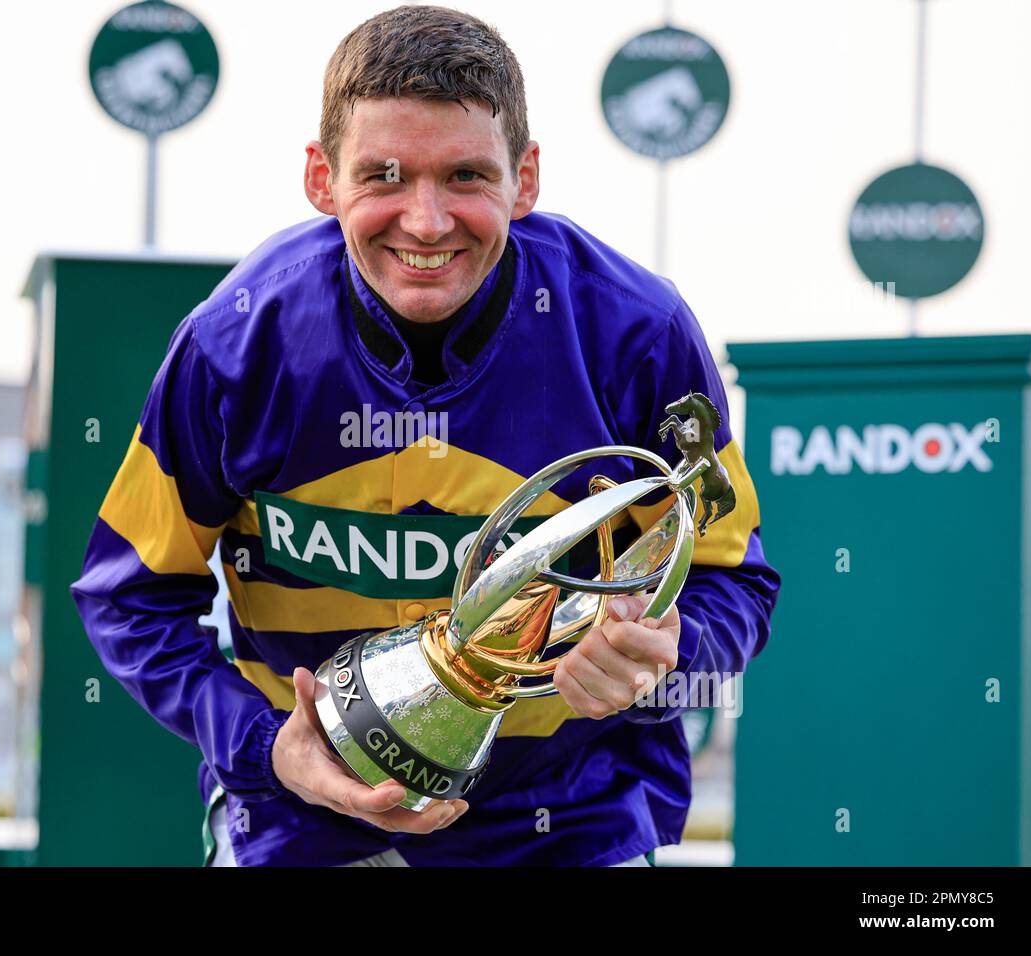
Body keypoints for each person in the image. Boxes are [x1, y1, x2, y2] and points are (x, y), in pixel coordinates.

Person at [71, 4, 779, 867]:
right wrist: (267, 748)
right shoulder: (236, 343)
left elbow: (731, 579)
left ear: (526, 178)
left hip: (564, 814)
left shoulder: (638, 333)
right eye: (385, 176)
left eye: (467, 178)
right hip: (304, 817)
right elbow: (128, 597)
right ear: (320, 178)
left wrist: (665, 654)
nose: (428, 222)